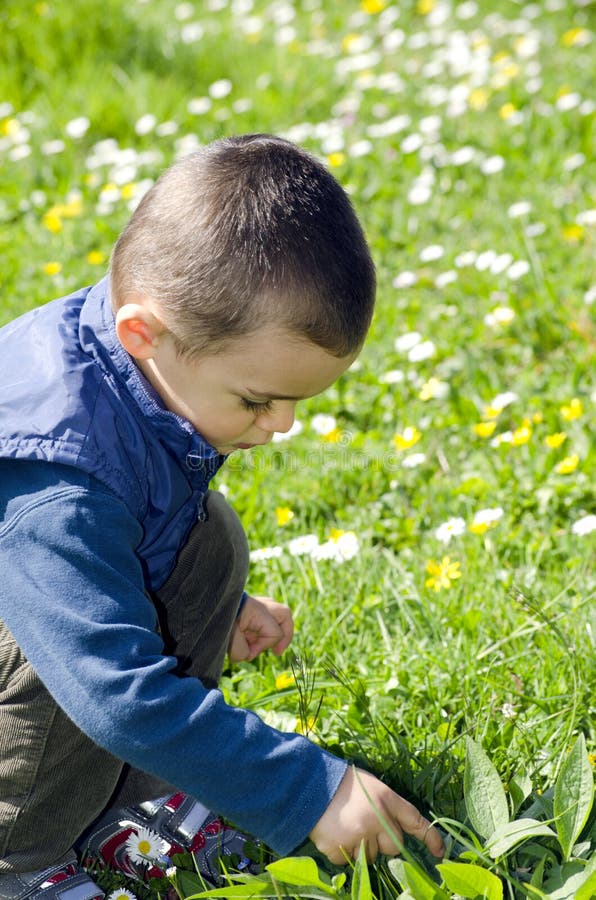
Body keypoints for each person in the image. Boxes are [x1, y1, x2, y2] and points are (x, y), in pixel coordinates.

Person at [0, 134, 444, 900]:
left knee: (211, 538)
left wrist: (218, 604)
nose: (281, 425)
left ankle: (130, 802)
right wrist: (306, 790)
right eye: (256, 400)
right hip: (38, 635)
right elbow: (114, 690)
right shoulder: (54, 484)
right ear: (146, 331)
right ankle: (21, 858)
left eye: (296, 402)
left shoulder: (129, 357)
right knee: (80, 654)